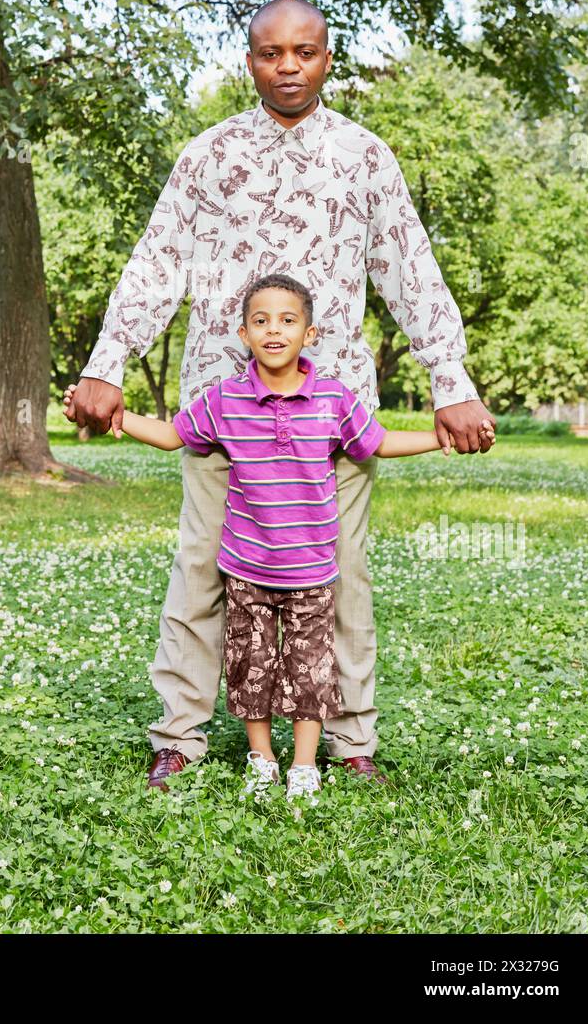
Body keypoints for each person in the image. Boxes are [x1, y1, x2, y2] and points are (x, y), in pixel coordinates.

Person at [66, 0, 496, 791]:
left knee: (339, 579)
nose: (289, 66)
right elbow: (158, 261)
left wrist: (452, 382)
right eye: (272, 53)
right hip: (223, 413)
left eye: (305, 51)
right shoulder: (208, 155)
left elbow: (412, 271)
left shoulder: (365, 157)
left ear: (329, 59)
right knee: (202, 571)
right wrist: (108, 361)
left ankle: (349, 737)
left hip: (331, 419)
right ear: (250, 60)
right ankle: (180, 738)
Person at [63, 274, 494, 802]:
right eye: (261, 321)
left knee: (310, 670)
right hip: (247, 570)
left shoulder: (333, 400)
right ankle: (263, 759)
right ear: (243, 334)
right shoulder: (224, 400)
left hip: (313, 573)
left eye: (288, 320)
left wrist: (442, 436)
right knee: (251, 667)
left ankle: (305, 765)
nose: (274, 330)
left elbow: (379, 444)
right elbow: (173, 434)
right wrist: (117, 415)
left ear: (310, 334)